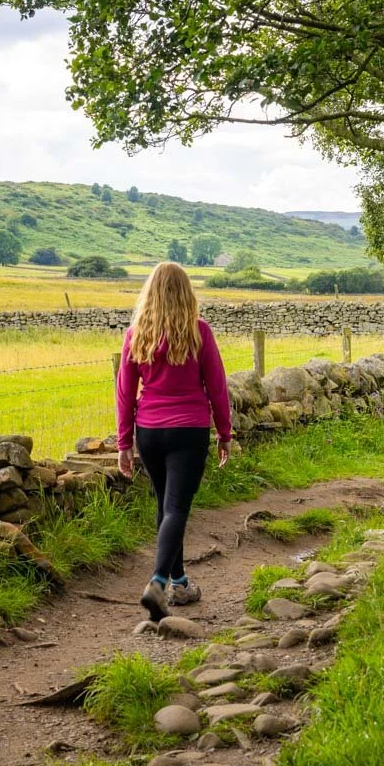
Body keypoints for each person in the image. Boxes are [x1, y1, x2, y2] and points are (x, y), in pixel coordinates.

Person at [116, 261, 232, 622]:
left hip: (149, 431)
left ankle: (179, 583)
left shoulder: (137, 335)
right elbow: (217, 385)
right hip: (189, 430)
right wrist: (225, 433)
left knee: (165, 506)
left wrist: (125, 443)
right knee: (177, 508)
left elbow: (123, 391)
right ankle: (157, 582)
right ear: (187, 293)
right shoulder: (199, 332)